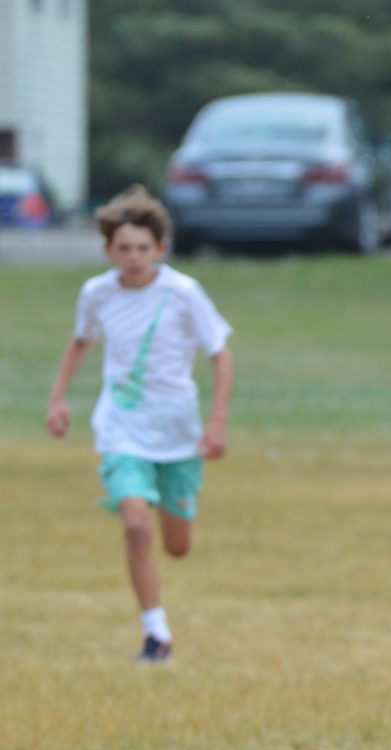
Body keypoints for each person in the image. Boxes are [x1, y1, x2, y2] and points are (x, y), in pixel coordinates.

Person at [45, 184, 233, 662]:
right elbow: (80, 342)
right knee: (134, 526)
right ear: (108, 250)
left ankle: (176, 522)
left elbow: (220, 354)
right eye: (123, 248)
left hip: (177, 432)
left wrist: (216, 422)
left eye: (142, 248)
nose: (133, 257)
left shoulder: (183, 293)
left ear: (160, 249)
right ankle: (156, 634)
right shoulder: (96, 293)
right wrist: (58, 399)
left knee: (177, 546)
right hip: (120, 429)